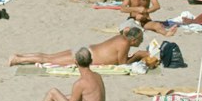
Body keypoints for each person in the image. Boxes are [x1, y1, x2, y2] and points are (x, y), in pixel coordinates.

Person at [5, 46, 107, 101]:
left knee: (53, 92)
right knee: (59, 97)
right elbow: (87, 98)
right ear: (91, 60)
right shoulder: (97, 76)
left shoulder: (80, 83)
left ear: (76, 62)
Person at [8, 25, 147, 68]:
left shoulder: (121, 38)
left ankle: (21, 56)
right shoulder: (125, 44)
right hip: (85, 56)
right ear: (133, 39)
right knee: (49, 59)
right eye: (140, 39)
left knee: (49, 56)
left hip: (86, 50)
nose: (141, 41)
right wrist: (138, 56)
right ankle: (17, 60)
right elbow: (122, 63)